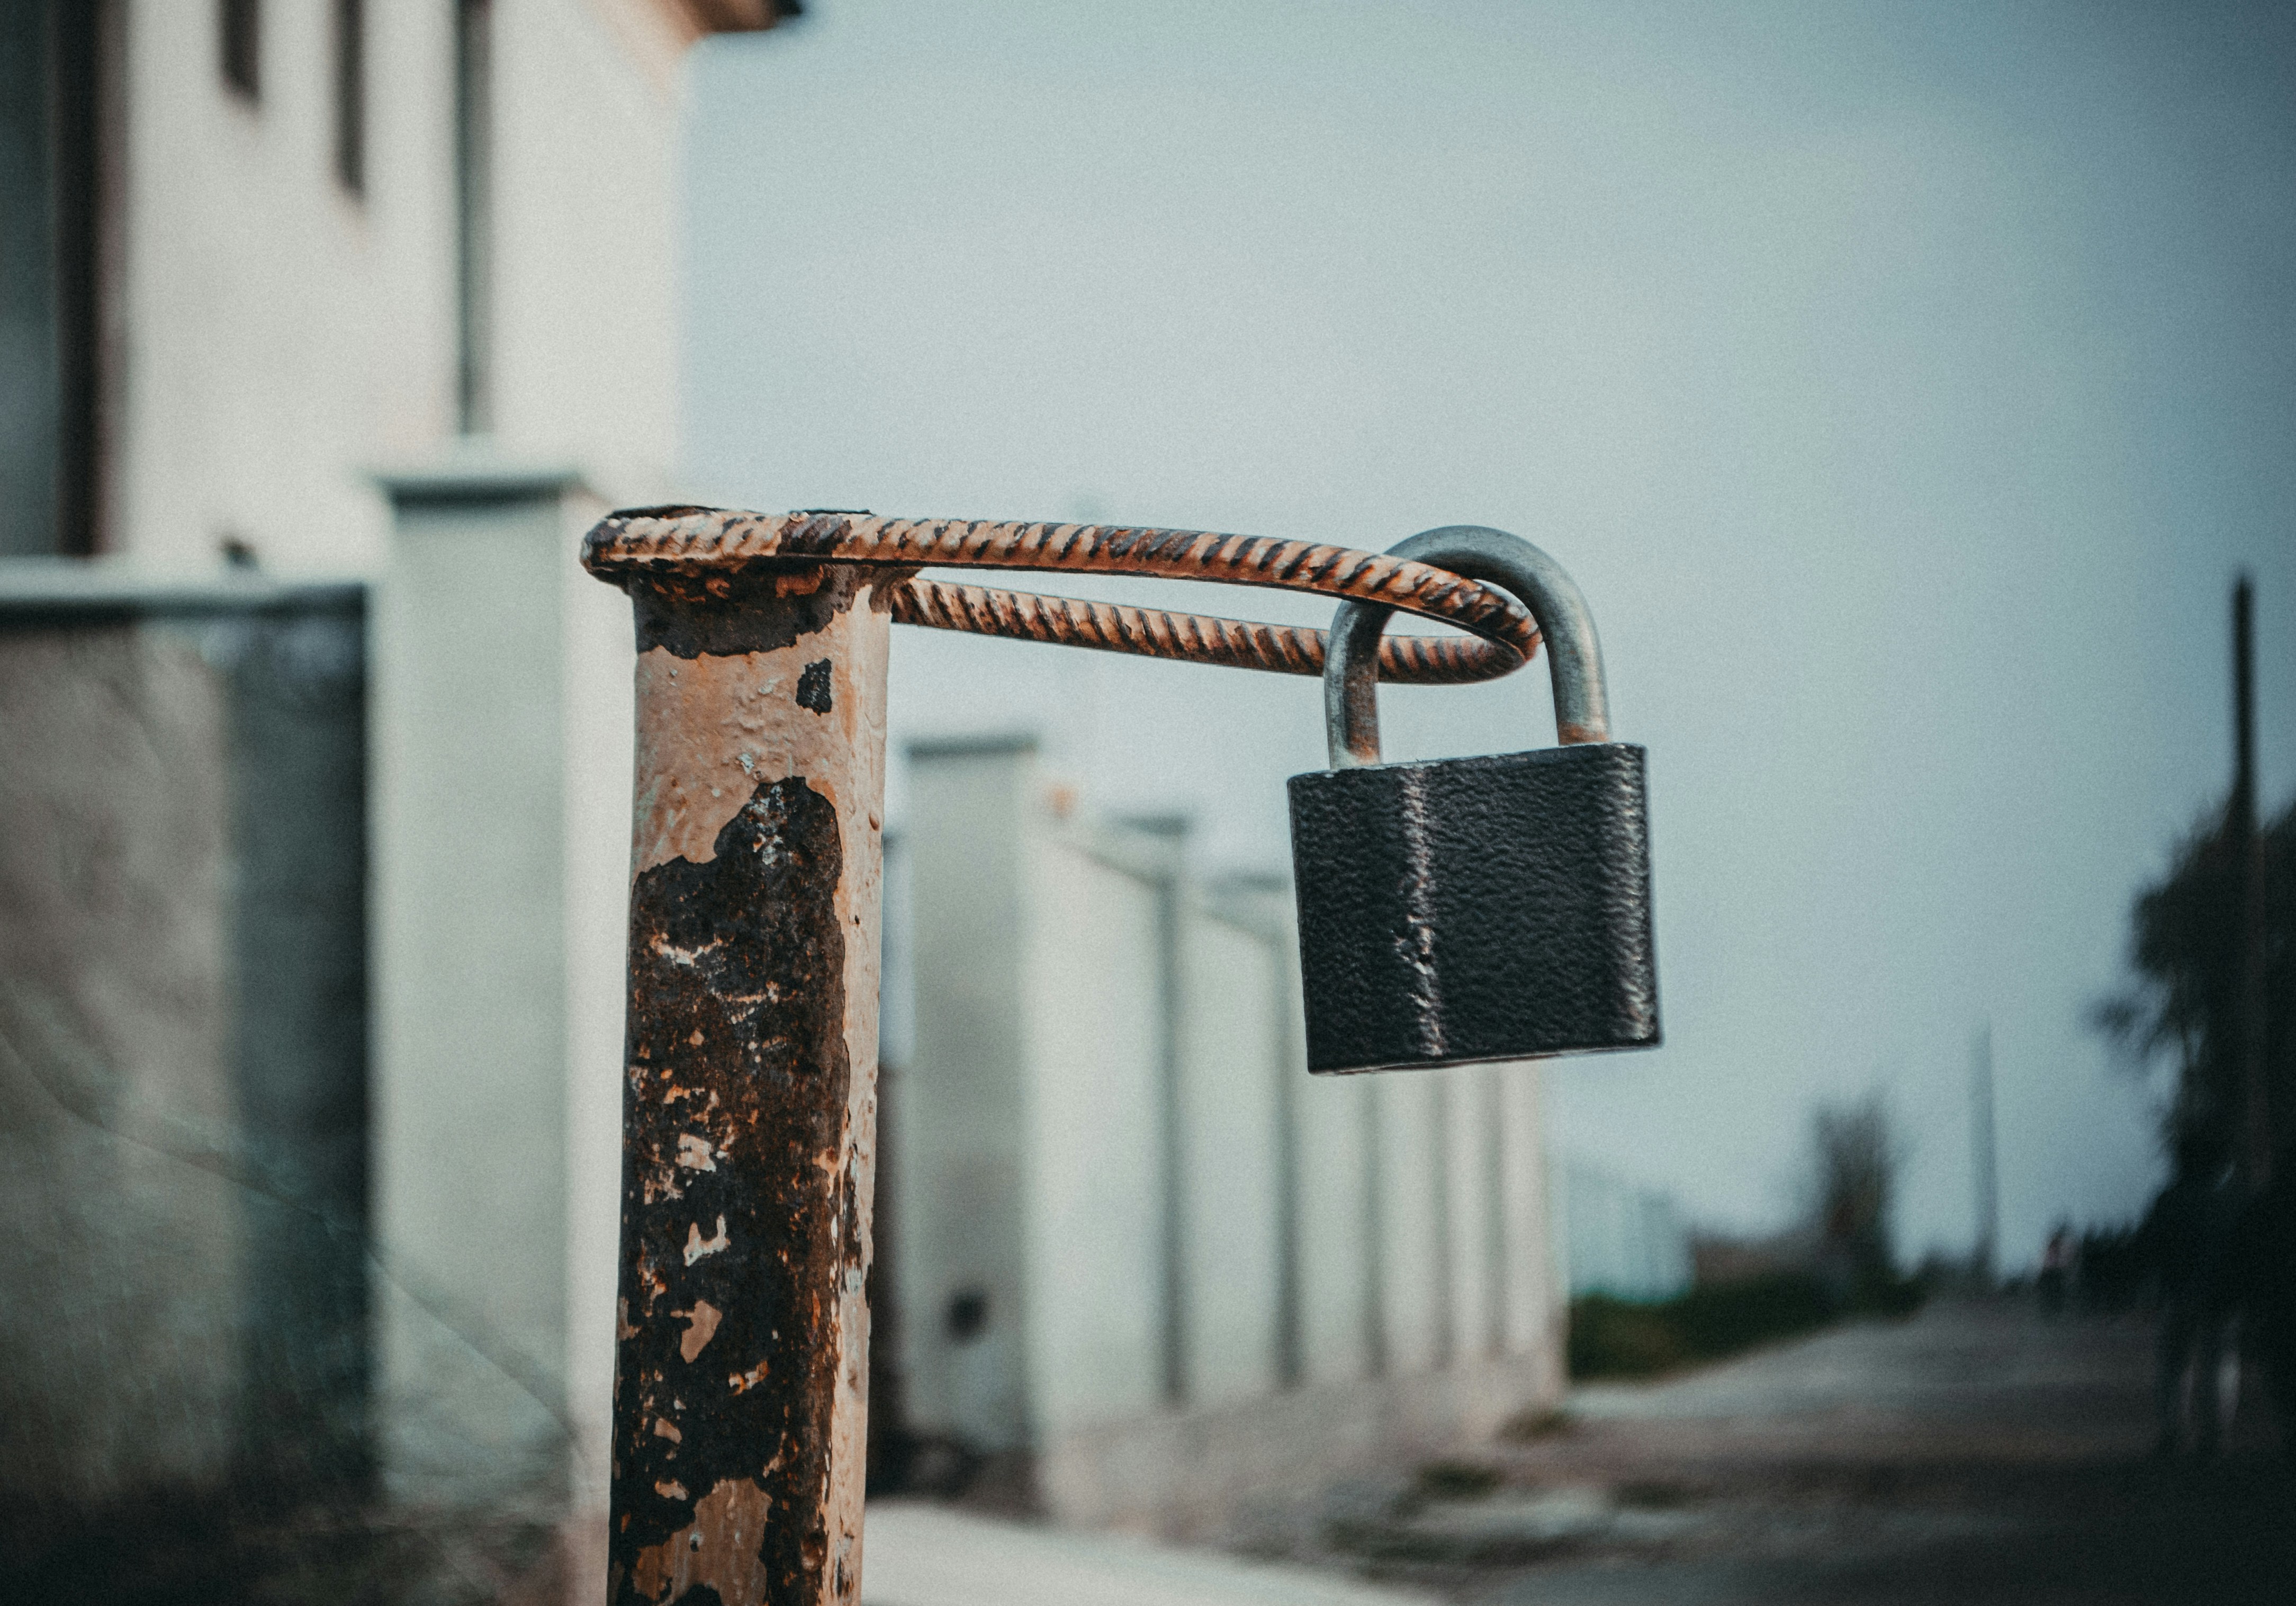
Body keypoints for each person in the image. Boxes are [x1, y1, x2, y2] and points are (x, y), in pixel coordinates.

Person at [2136, 1132, 2241, 1458]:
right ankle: (2213, 1435)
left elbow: (2148, 1246)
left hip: (2178, 1292)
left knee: (2172, 1366)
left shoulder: (2168, 1200)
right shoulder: (2227, 1201)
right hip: (2221, 1295)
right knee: (2218, 1365)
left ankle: (2172, 1432)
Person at [2231, 1139, 2296, 1465]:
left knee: (2283, 1371)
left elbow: (2247, 1258)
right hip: (2277, 1300)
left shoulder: (2265, 1205)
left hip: (2278, 1303)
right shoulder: (2264, 1206)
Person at [2038, 1223, 2075, 1317]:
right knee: (2050, 1296)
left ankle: (2053, 1314)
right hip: (2051, 1273)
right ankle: (2049, 1314)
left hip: (2055, 1274)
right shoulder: (2054, 1246)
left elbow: (2064, 1261)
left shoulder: (2062, 1247)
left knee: (2056, 1297)